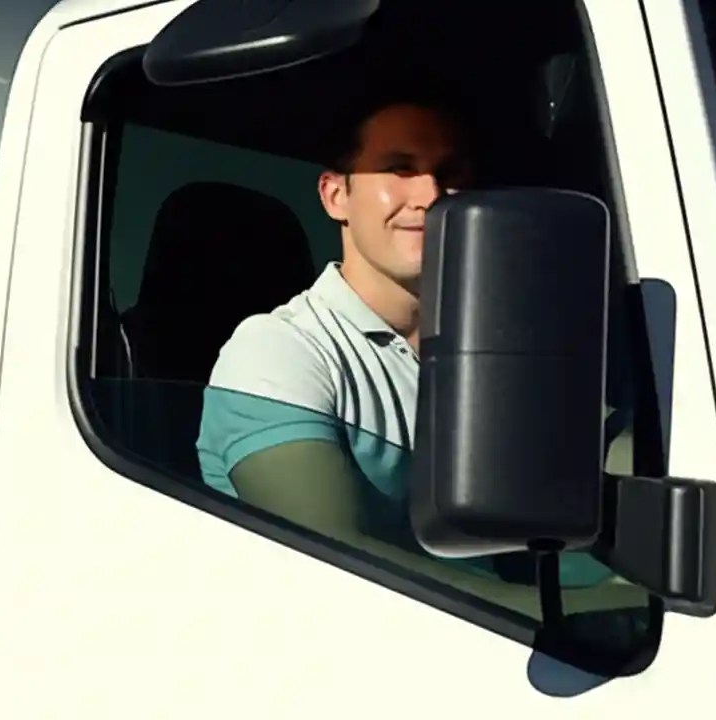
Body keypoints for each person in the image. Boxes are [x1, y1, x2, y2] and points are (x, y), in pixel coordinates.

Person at [194, 85, 637, 618]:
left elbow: (614, 457)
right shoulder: (279, 349)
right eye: (399, 169)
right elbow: (335, 565)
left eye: (450, 172)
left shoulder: (503, 349)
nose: (430, 194)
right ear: (336, 196)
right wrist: (609, 610)